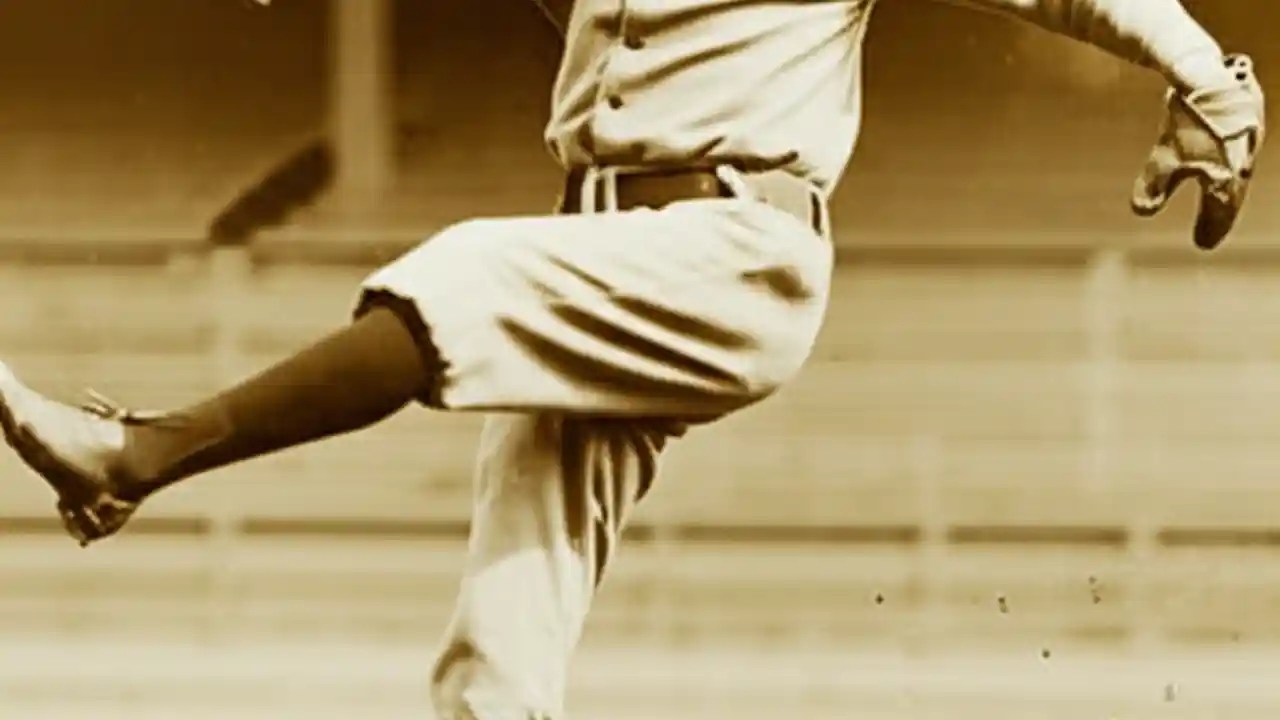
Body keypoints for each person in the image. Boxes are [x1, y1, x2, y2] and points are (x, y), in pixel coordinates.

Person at [0, 0, 1264, 717]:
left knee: (463, 270)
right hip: (604, 256)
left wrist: (1210, 84)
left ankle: (137, 451)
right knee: (496, 657)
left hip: (730, 249)